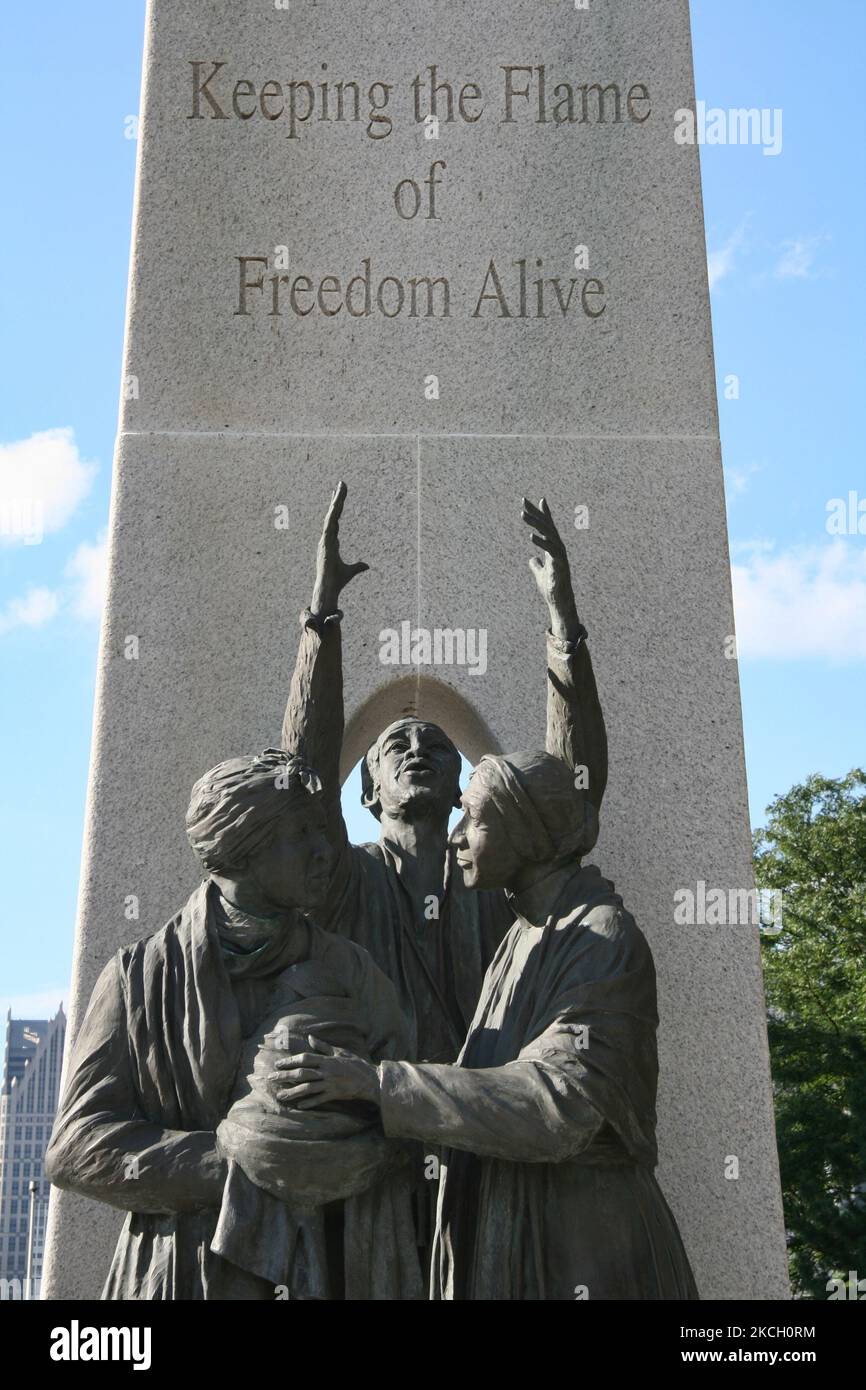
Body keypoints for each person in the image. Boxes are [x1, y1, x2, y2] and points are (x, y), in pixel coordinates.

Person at [271, 750, 699, 1301]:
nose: (455, 837)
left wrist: (380, 1085)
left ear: (524, 828)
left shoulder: (601, 936)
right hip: (524, 1234)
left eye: (474, 818)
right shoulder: (527, 933)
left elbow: (560, 1102)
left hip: (584, 1249)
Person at [45, 750, 422, 1300]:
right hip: (179, 1274)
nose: (324, 851)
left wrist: (336, 1155)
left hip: (319, 1266)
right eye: (302, 834)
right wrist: (243, 1161)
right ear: (243, 846)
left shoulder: (352, 971)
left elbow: (409, 1119)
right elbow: (76, 1146)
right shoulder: (138, 977)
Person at [281, 484, 608, 1068]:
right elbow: (301, 787)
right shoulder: (346, 878)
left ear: (463, 783)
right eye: (395, 745)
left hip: (483, 1126)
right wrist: (321, 619)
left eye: (437, 743)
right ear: (367, 789)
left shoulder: (498, 885)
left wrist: (565, 627)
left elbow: (572, 798)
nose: (417, 749)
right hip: (370, 1125)